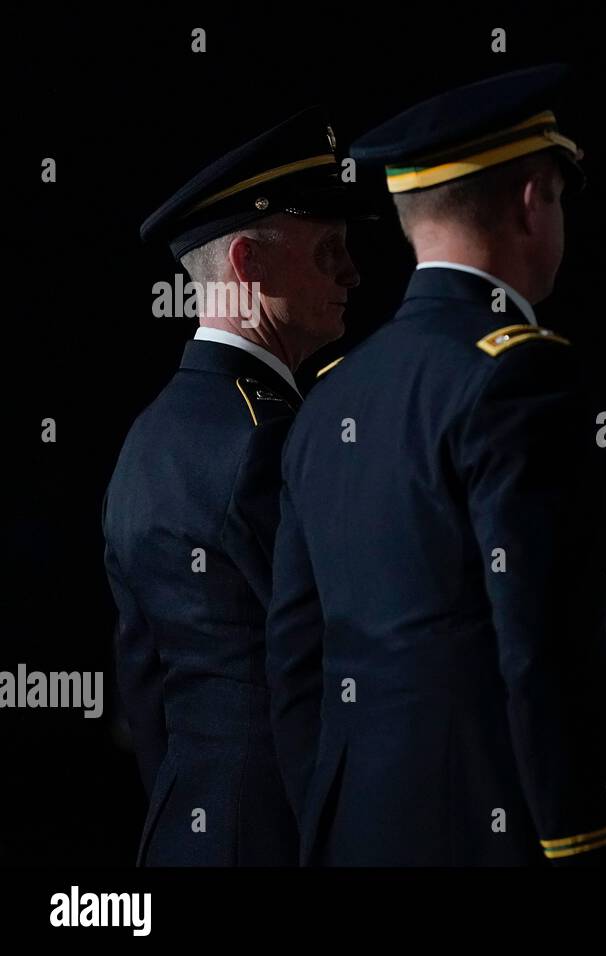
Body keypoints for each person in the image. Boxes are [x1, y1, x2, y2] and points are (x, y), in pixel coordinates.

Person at [266, 65, 606, 865]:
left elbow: (295, 658)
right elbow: (544, 644)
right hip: (491, 825)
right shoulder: (521, 372)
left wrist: (328, 814)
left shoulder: (329, 394)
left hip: (352, 824)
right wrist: (584, 837)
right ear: (536, 201)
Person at [103, 107, 361, 865]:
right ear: (248, 264)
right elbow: (332, 666)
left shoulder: (147, 437)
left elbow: (144, 691)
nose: (355, 272)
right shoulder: (267, 438)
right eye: (330, 250)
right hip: (281, 835)